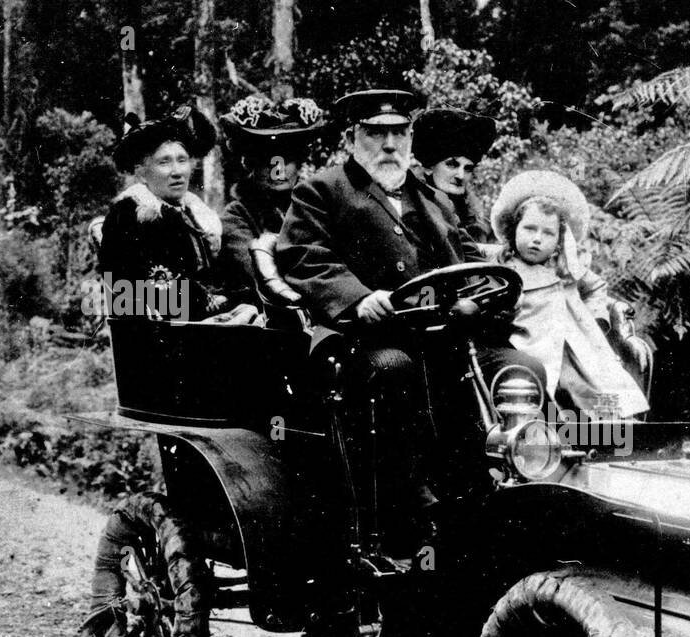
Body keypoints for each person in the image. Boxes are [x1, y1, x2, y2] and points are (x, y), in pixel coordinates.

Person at [276, 88, 545, 551]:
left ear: (410, 136)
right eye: (376, 134)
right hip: (357, 337)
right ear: (353, 137)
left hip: (438, 334)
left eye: (399, 133)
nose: (389, 145)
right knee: (394, 368)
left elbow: (462, 261)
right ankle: (409, 500)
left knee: (521, 368)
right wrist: (358, 298)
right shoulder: (323, 189)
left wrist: (476, 301)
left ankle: (506, 482)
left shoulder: (433, 199)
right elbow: (304, 257)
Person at [490, 170, 650, 419]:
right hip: (533, 346)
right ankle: (552, 438)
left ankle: (613, 431)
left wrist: (597, 318)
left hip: (573, 344)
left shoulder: (566, 269)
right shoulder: (505, 269)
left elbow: (596, 288)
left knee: (600, 388)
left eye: (547, 233)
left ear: (559, 240)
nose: (536, 239)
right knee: (545, 397)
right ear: (514, 230)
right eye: (529, 229)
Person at [99, 105, 257, 324]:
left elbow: (218, 278)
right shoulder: (127, 215)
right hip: (159, 331)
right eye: (164, 162)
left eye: (182, 160)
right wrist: (215, 307)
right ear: (140, 172)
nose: (177, 172)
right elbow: (131, 295)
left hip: (201, 320)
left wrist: (239, 301)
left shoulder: (193, 213)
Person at [217, 94, 327, 307]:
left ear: (300, 162)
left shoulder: (315, 208)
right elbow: (255, 274)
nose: (278, 170)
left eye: (287, 159)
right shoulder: (236, 215)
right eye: (267, 160)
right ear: (250, 164)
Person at [412, 108, 496, 244]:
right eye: (452, 164)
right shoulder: (413, 210)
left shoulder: (478, 222)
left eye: (468, 168)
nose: (461, 175)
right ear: (429, 167)